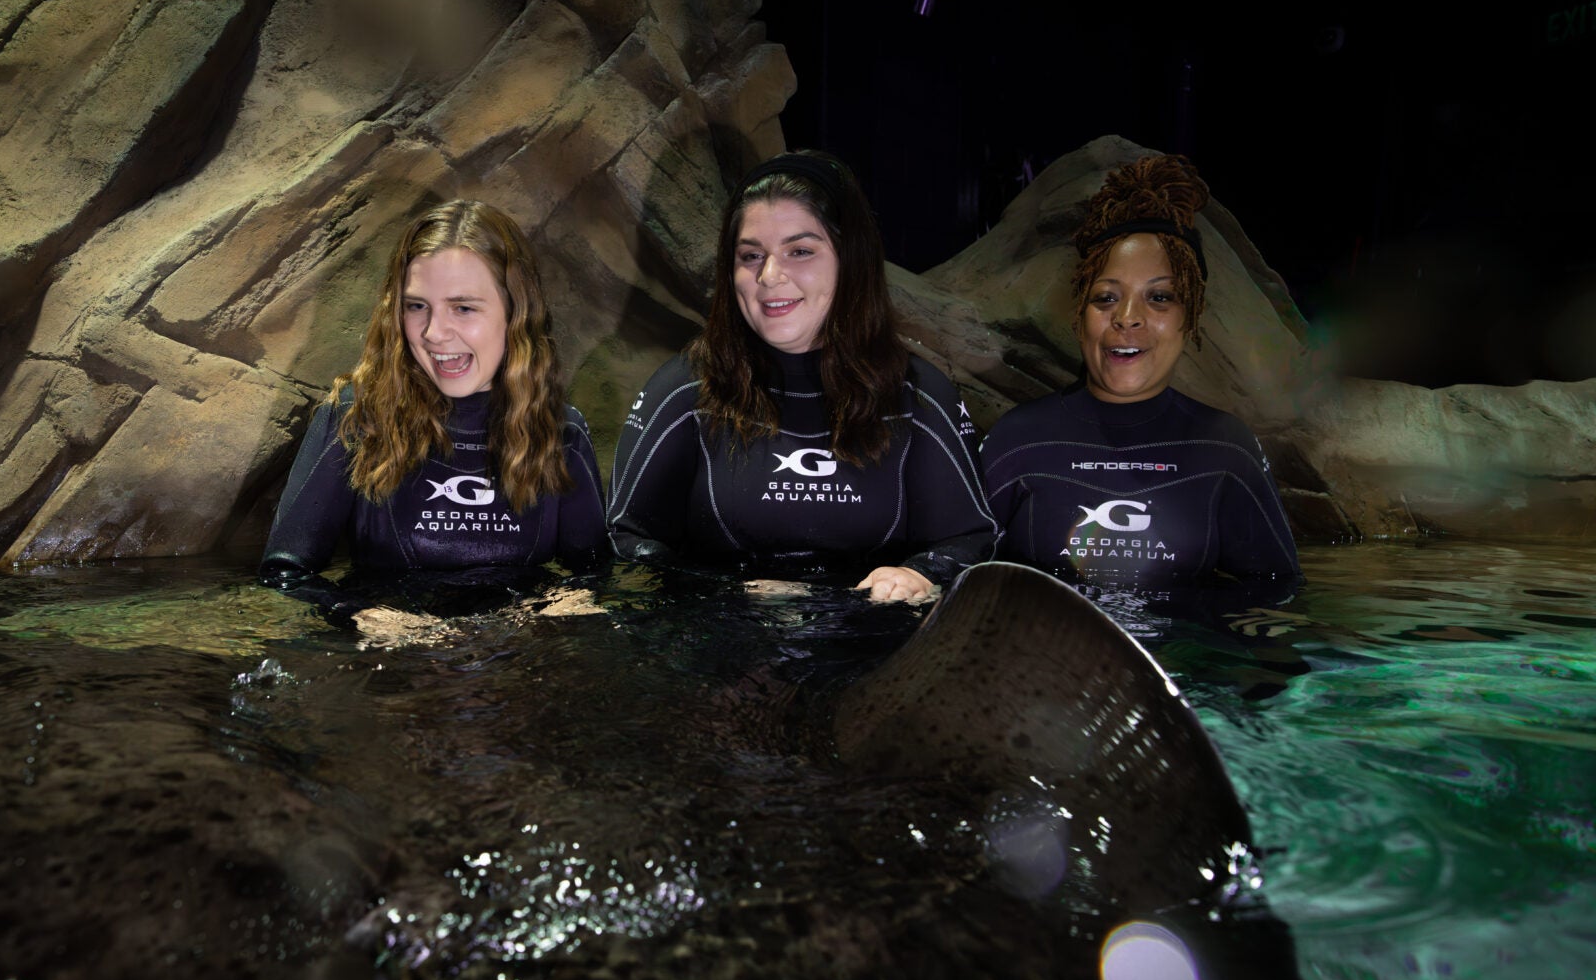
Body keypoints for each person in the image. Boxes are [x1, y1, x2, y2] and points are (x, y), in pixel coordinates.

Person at [607, 151, 996, 603]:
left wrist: (920, 574)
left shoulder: (918, 394)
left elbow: (971, 540)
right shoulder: (685, 390)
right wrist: (729, 596)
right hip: (723, 653)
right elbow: (624, 541)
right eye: (751, 255)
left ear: (851, 260)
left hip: (864, 649)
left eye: (800, 251)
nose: (770, 276)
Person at [260, 199, 607, 630]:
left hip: (513, 671)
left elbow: (594, 576)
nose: (434, 333)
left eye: (463, 308)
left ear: (515, 311)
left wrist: (559, 607)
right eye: (416, 306)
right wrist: (361, 615)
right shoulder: (357, 416)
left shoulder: (560, 432)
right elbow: (284, 573)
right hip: (394, 674)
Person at [980, 154, 1299, 589]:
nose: (1127, 317)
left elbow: (1273, 603)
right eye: (1106, 298)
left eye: (1161, 298)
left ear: (1191, 317)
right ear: (1081, 314)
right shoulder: (1017, 439)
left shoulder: (1227, 448)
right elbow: (955, 575)